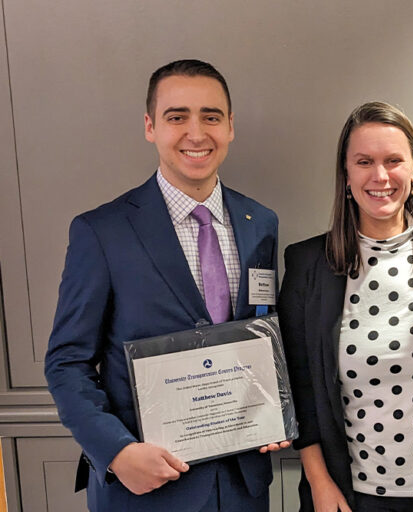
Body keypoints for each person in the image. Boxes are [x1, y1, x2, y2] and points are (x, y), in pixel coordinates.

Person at [45, 59, 286, 512]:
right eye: (177, 117)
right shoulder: (102, 232)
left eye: (211, 117)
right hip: (147, 491)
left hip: (242, 486)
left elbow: (260, 331)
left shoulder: (262, 224)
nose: (196, 134)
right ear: (150, 126)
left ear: (230, 127)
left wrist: (274, 409)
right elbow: (66, 362)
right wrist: (116, 452)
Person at [278, 102, 413, 512]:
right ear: (346, 174)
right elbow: (299, 388)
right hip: (354, 497)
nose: (380, 176)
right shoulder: (310, 266)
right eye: (364, 162)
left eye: (393, 161)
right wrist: (320, 484)